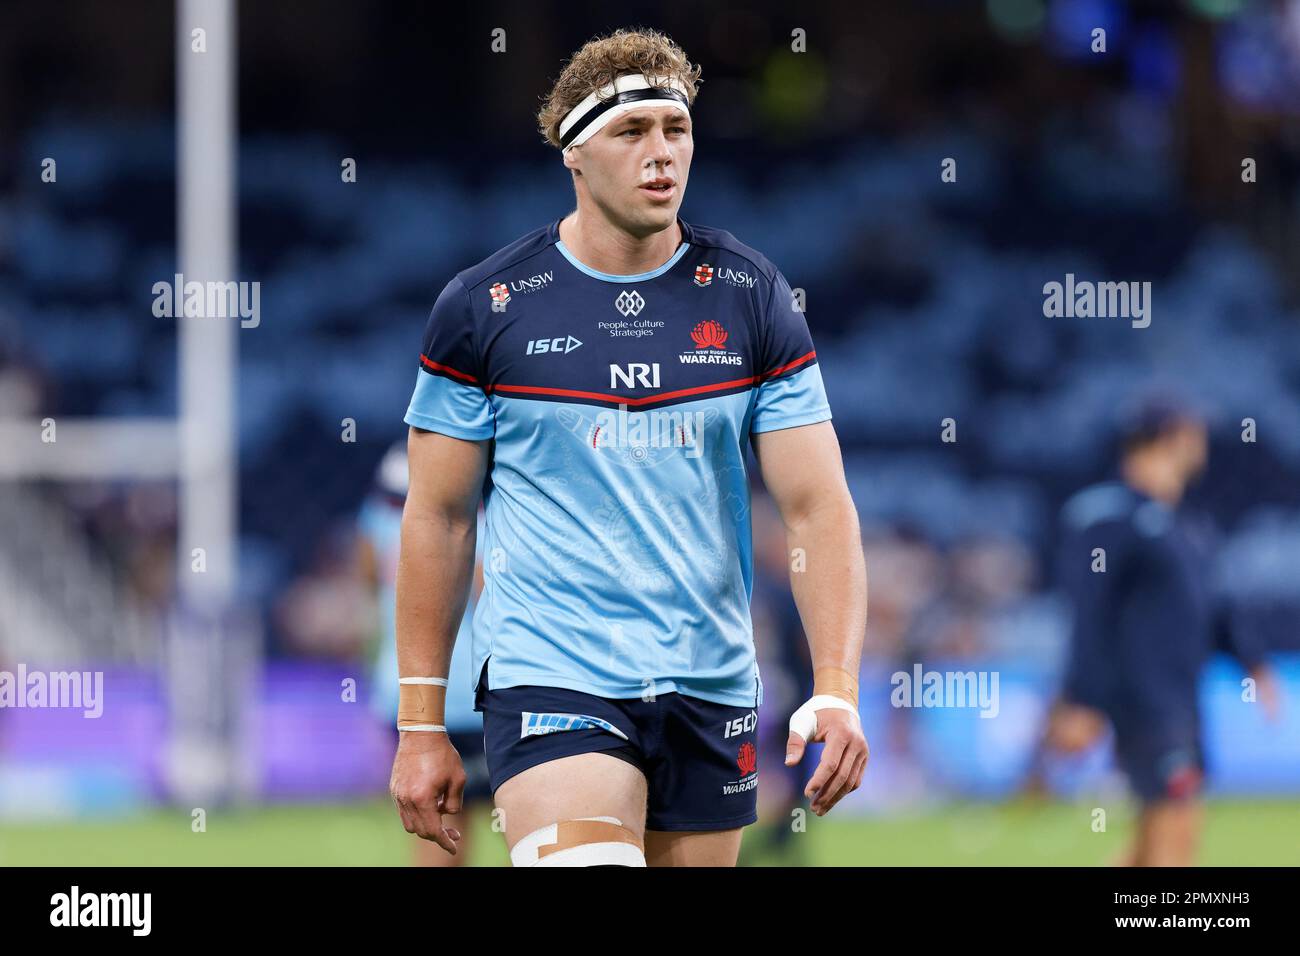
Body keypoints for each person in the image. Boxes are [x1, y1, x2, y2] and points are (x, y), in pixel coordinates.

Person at [388, 28, 868, 868]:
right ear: (575, 154)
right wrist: (422, 725)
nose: (661, 154)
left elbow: (817, 507)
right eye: (631, 132)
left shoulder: (752, 296)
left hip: (709, 681)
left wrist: (837, 690)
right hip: (555, 673)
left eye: (675, 130)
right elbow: (439, 517)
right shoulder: (485, 308)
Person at [1047, 399, 1280, 866]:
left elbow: (1211, 607)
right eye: (1193, 433)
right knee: (1176, 829)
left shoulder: (1186, 523)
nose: (1202, 446)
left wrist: (1252, 662)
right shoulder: (1111, 516)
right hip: (1144, 701)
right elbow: (1091, 612)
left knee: (1154, 841)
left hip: (1180, 700)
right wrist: (1083, 698)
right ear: (1169, 437)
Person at [359, 442, 491, 866]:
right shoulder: (476, 522)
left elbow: (368, 584)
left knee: (440, 838)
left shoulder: (377, 522)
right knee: (528, 831)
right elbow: (490, 594)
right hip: (478, 694)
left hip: (407, 698)